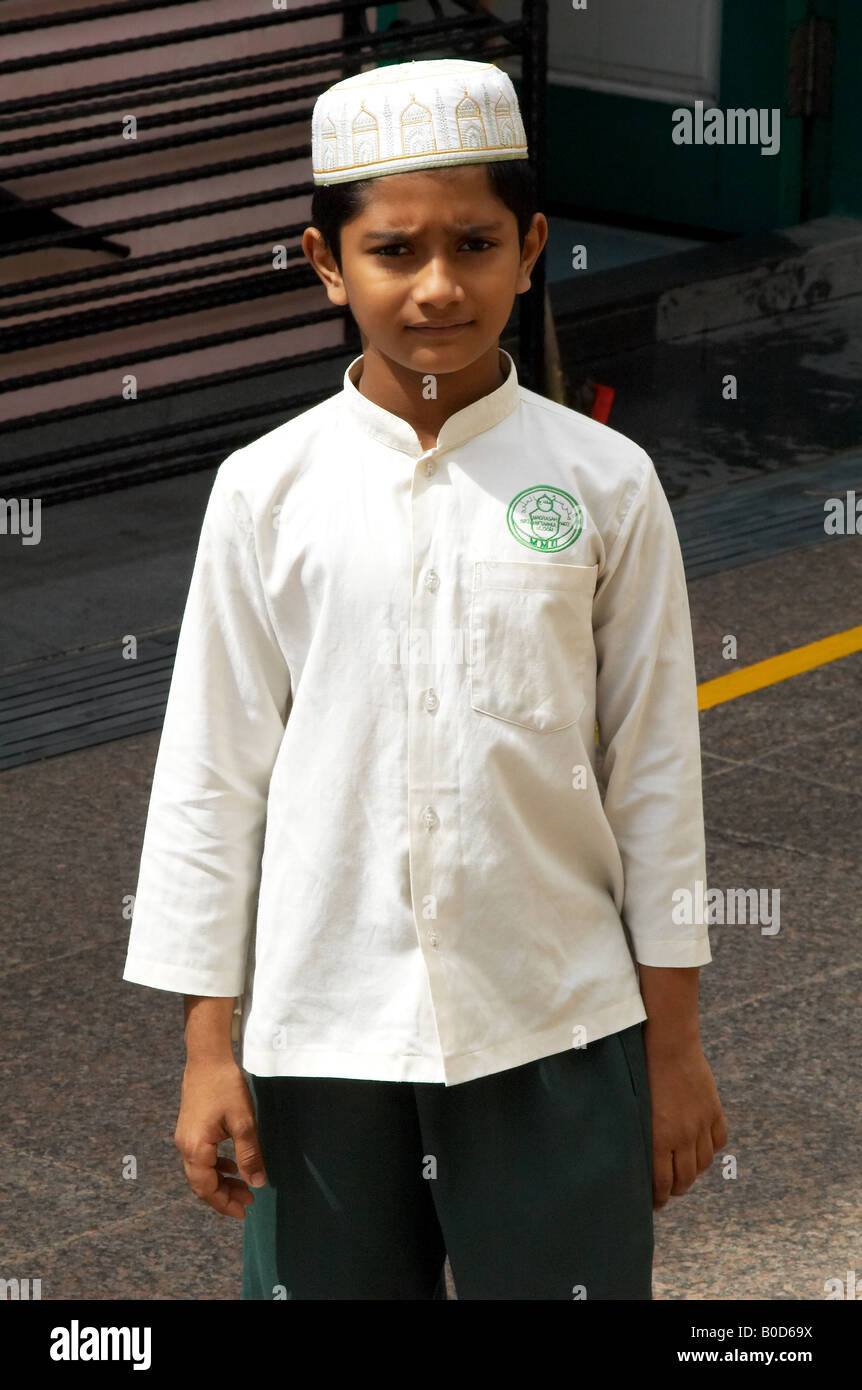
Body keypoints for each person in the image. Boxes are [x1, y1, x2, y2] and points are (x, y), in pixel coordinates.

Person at [123, 57, 727, 1301]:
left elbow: (656, 775)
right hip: (321, 1035)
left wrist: (673, 1049)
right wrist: (207, 1047)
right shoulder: (266, 489)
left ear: (532, 247)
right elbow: (210, 775)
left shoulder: (606, 484)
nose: (439, 285)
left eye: (476, 242)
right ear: (326, 262)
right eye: (395, 250)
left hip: (555, 1024)